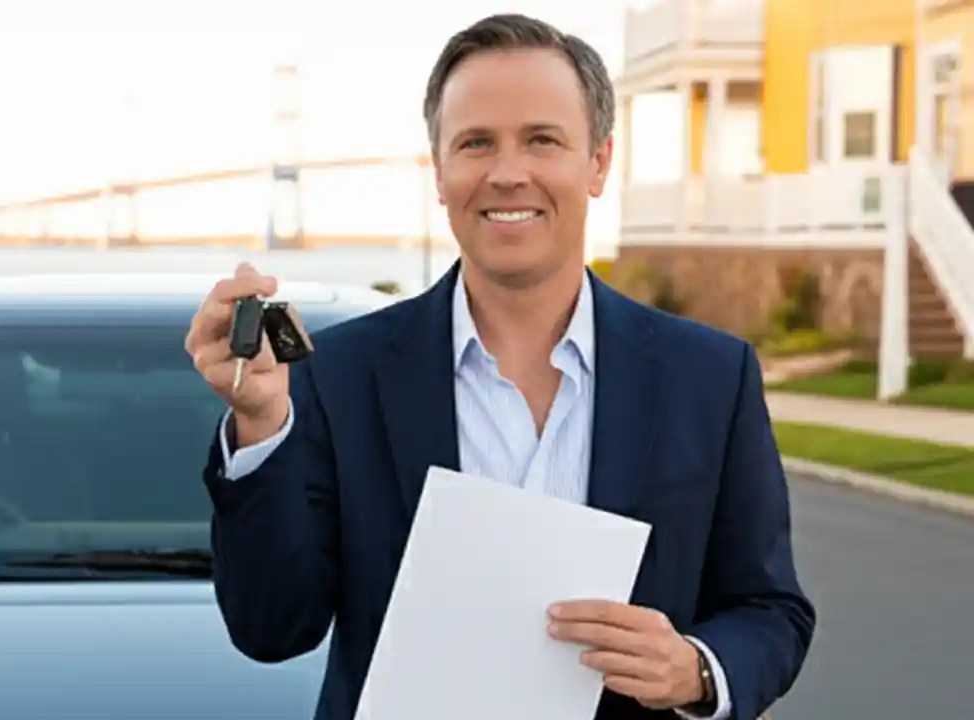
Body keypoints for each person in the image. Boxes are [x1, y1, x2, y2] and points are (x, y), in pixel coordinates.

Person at [185, 13, 815, 720]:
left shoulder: (710, 376)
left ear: (599, 162)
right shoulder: (340, 376)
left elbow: (770, 611)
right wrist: (262, 423)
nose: (508, 173)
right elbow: (272, 628)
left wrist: (696, 668)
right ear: (442, 173)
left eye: (542, 140)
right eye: (476, 143)